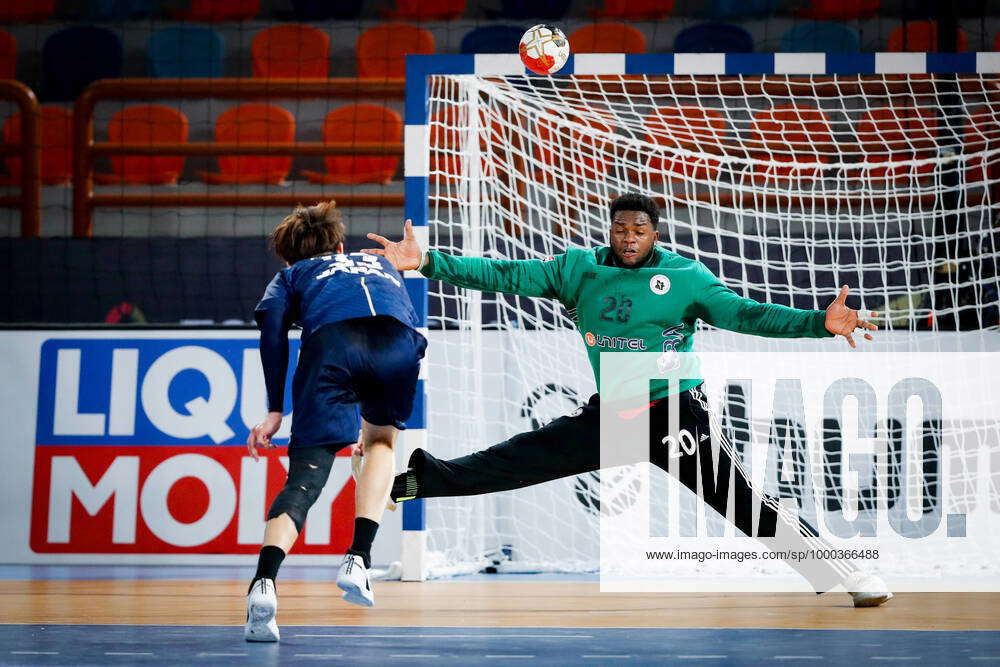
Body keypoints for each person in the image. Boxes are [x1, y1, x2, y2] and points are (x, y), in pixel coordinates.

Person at [366, 193, 892, 607]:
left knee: (743, 505)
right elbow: (506, 275)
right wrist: (430, 261)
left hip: (674, 414)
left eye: (639, 230)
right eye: (620, 228)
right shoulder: (578, 270)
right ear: (610, 231)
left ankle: (846, 574)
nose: (629, 237)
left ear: (654, 234)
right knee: (517, 461)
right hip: (615, 413)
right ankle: (410, 482)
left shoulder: (686, 278)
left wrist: (816, 324)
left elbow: (748, 315)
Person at [244, 201, 427, 642]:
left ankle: (263, 585)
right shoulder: (378, 261)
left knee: (305, 479)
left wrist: (274, 409)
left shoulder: (291, 275)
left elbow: (272, 333)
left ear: (289, 258)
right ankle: (359, 559)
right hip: (399, 344)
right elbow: (392, 316)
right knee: (382, 442)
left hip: (330, 349)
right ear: (341, 245)